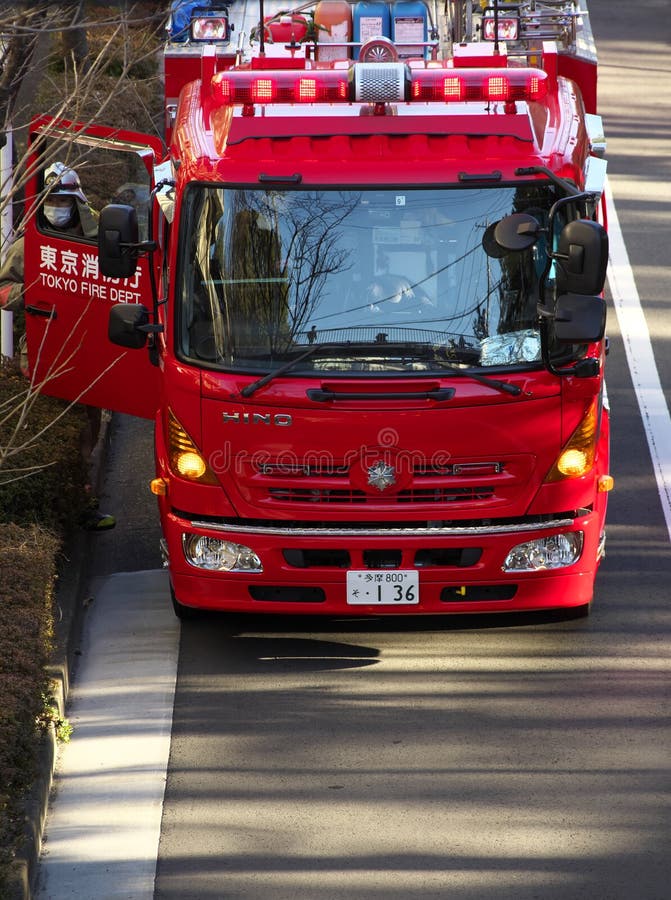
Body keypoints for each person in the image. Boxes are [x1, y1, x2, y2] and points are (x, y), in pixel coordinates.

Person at [0, 162, 115, 531]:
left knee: (86, 431)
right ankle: (55, 515)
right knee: (51, 433)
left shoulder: (100, 238)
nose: (58, 207)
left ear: (77, 200)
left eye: (64, 200)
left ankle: (82, 505)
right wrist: (31, 293)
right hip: (42, 351)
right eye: (52, 200)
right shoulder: (29, 242)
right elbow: (2, 291)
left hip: (89, 350)